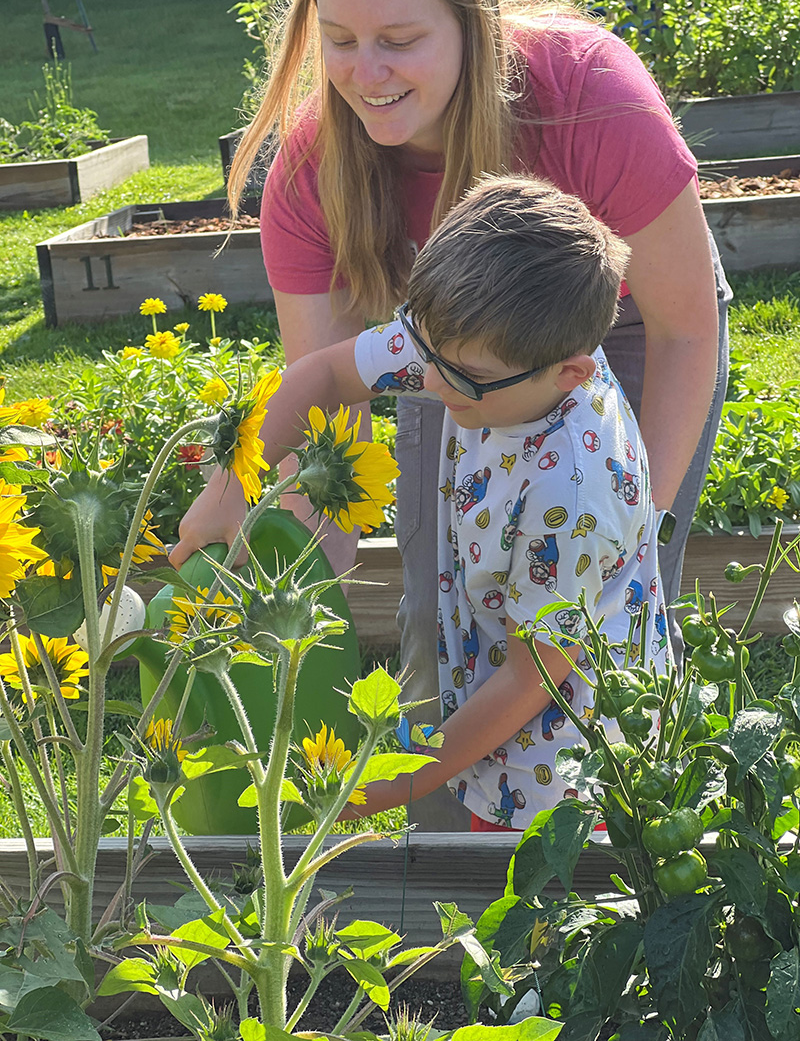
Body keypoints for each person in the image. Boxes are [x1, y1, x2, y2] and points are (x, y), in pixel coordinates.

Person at [172, 0, 730, 831]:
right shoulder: (436, 344)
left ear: (472, 22)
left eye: (398, 40)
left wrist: (627, 539)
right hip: (473, 338)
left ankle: (610, 837)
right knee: (441, 607)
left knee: (583, 644)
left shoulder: (589, 98)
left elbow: (684, 330)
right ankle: (443, 860)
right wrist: (237, 504)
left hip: (618, 335)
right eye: (341, 40)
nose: (366, 72)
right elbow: (326, 390)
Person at [181, 174, 672, 831]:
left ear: (571, 373)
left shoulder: (575, 491)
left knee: (541, 916)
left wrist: (392, 782)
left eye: (462, 377)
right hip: (506, 693)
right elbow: (323, 374)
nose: (433, 383)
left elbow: (533, 680)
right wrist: (229, 487)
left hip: (568, 775)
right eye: (426, 351)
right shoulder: (473, 346)